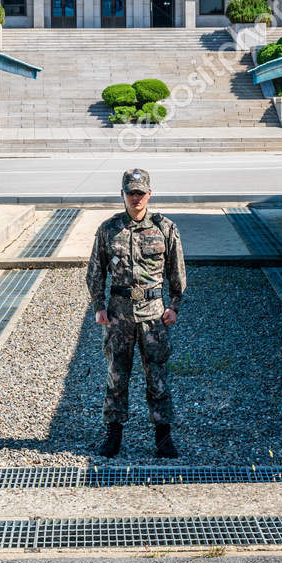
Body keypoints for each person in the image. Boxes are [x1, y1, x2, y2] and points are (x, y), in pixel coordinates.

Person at [86, 168, 187, 459]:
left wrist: (174, 306)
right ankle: (113, 436)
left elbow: (177, 272)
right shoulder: (109, 229)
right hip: (119, 316)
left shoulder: (165, 228)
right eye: (131, 193)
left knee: (157, 377)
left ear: (149, 194)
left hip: (154, 316)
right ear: (123, 195)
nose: (136, 198)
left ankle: (163, 439)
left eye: (141, 193)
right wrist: (98, 306)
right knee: (117, 376)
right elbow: (95, 271)